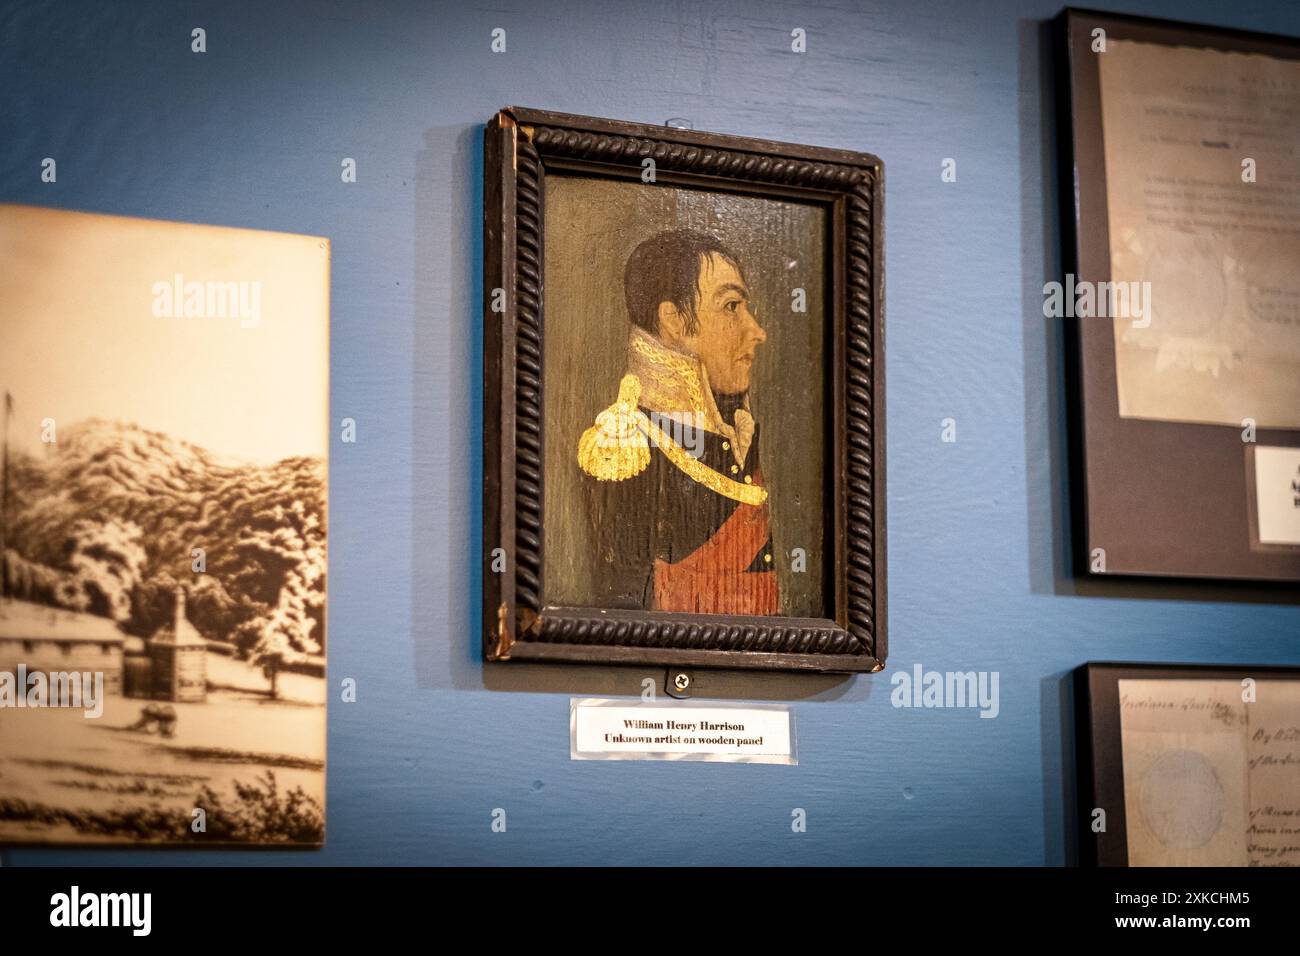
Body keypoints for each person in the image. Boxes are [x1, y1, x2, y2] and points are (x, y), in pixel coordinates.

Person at [578, 229, 778, 615]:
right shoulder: (624, 443)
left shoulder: (736, 429)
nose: (757, 331)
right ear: (672, 320)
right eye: (731, 306)